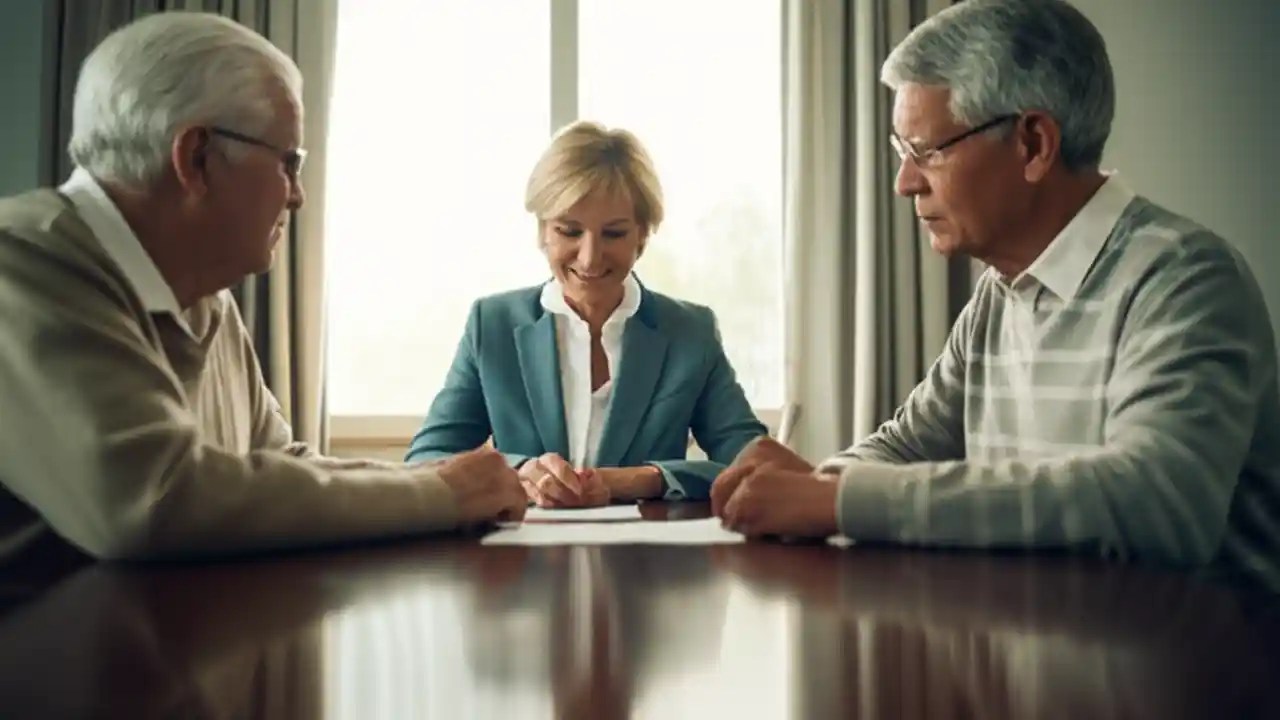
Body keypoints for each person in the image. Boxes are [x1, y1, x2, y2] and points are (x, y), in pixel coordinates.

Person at [711, 0, 1280, 589]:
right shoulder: (997, 296)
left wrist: (835, 500)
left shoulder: (1183, 277)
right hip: (1046, 657)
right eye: (900, 152)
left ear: (1033, 144)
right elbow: (904, 449)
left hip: (1198, 671)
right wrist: (821, 483)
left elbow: (1156, 501)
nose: (905, 182)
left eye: (925, 151)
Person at [0, 12, 526, 562]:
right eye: (288, 162)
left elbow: (280, 468)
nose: (297, 196)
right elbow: (154, 500)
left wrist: (441, 478)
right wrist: (440, 493)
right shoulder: (20, 261)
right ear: (196, 158)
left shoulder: (205, 295)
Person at [405, 121, 767, 506]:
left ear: (642, 235)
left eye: (613, 234)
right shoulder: (491, 325)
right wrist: (520, 471)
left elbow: (754, 465)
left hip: (650, 559)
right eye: (569, 231)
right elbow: (427, 461)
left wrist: (643, 479)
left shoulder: (690, 332)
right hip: (522, 560)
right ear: (542, 231)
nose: (590, 257)